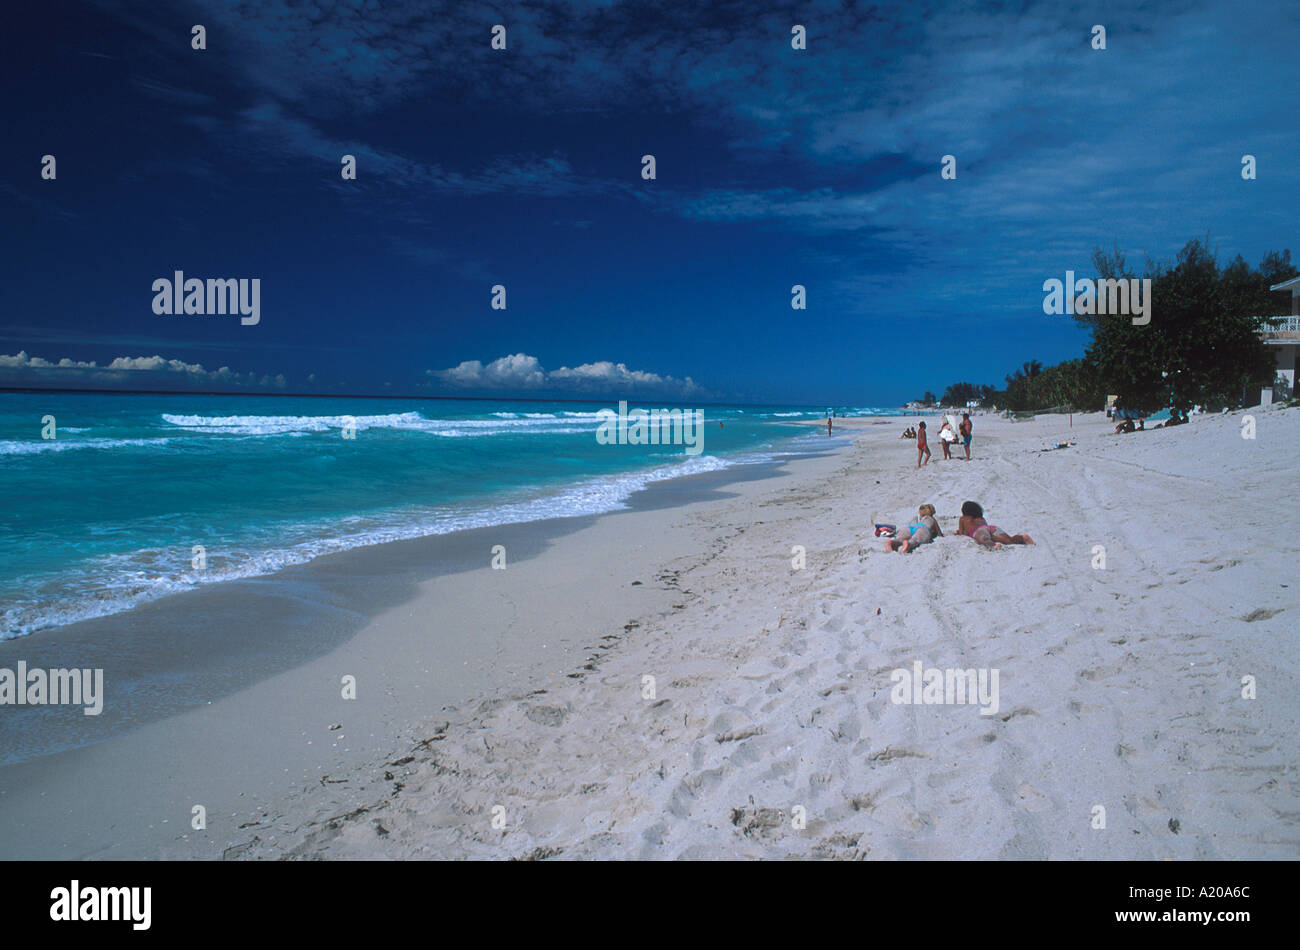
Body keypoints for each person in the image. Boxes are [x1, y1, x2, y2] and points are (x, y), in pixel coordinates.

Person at [957, 501, 1033, 548]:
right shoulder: (981, 519)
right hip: (990, 528)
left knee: (984, 539)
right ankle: (1022, 537)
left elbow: (962, 533)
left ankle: (993, 546)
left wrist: (959, 532)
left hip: (978, 531)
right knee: (1009, 540)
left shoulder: (963, 518)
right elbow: (986, 529)